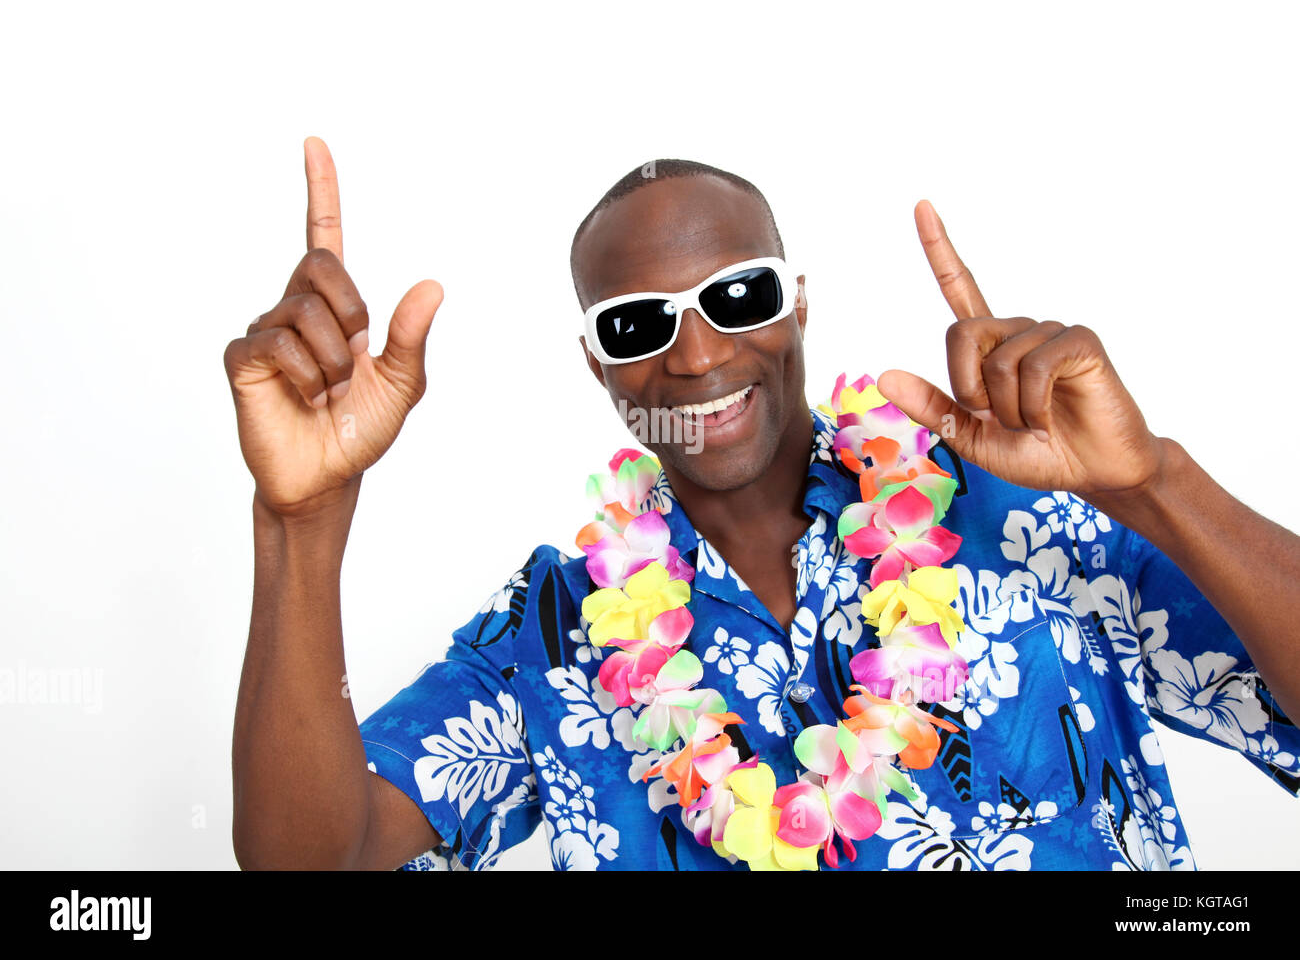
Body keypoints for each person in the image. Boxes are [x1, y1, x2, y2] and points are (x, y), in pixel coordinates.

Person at [226, 137, 1300, 871]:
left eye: (735, 298)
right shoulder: (548, 635)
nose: (695, 356)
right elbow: (324, 856)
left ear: (794, 302)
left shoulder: (1017, 512)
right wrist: (300, 525)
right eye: (638, 325)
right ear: (596, 364)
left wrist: (1151, 481)